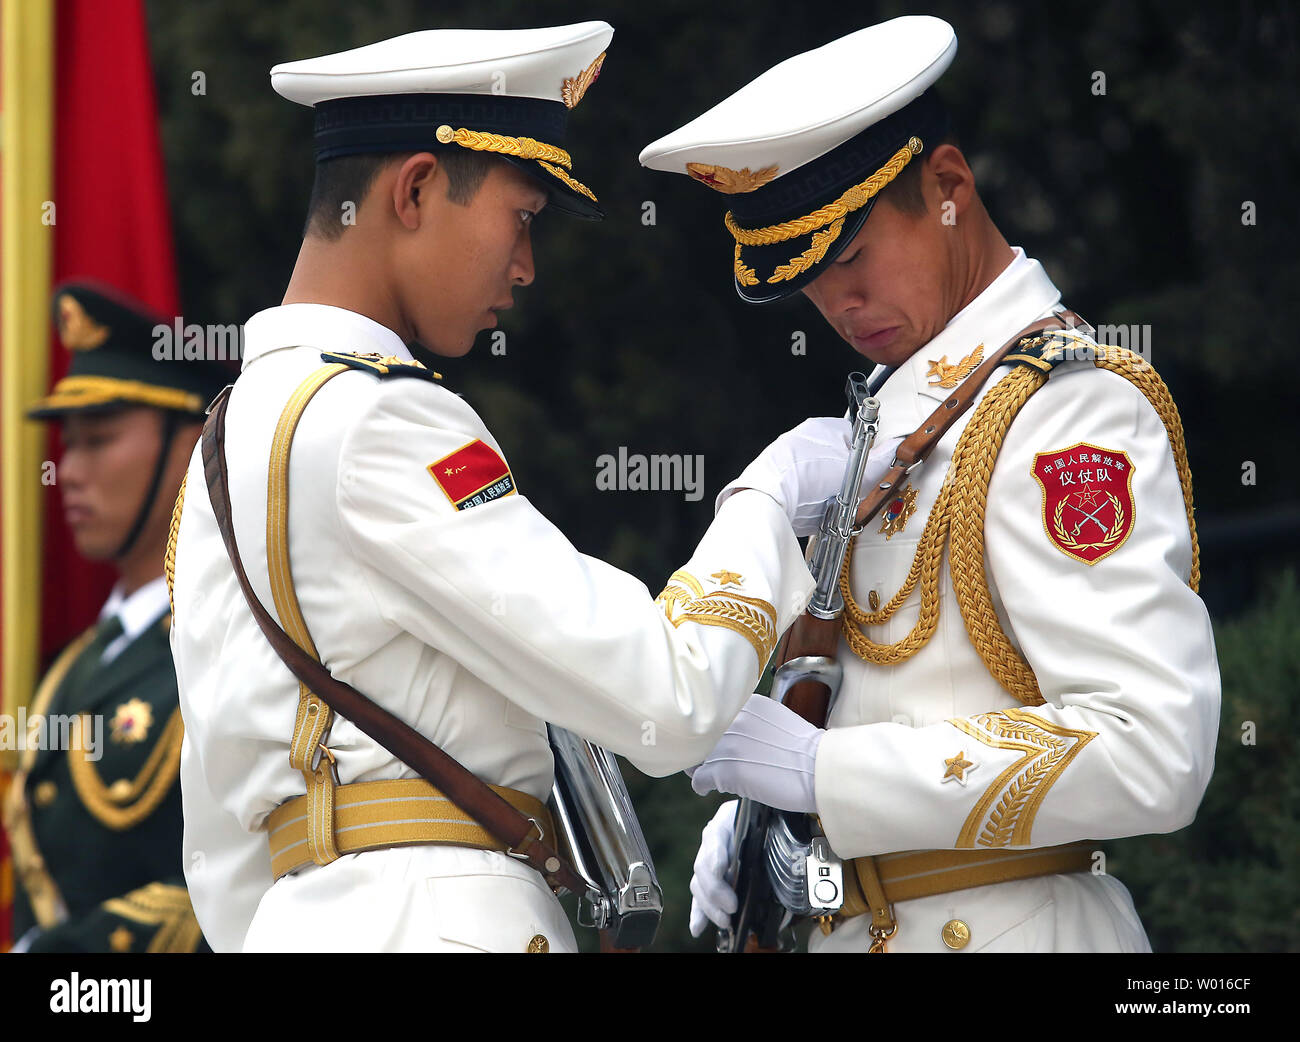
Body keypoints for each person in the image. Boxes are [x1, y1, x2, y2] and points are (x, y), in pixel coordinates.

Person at [169, 22, 852, 953]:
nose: (526, 267)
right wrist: (768, 505)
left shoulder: (225, 436)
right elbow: (667, 694)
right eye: (520, 218)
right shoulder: (379, 419)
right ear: (414, 190)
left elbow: (216, 844)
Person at [641, 15, 1221, 953]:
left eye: (853, 257)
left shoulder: (1067, 413)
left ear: (949, 187)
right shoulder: (888, 428)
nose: (837, 304)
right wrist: (784, 837)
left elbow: (1154, 751)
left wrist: (828, 777)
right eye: (810, 283)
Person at [2, 281, 227, 953]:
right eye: (67, 445)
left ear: (192, 444)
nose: (67, 471)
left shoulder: (225, 640)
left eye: (97, 440)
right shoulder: (76, 665)